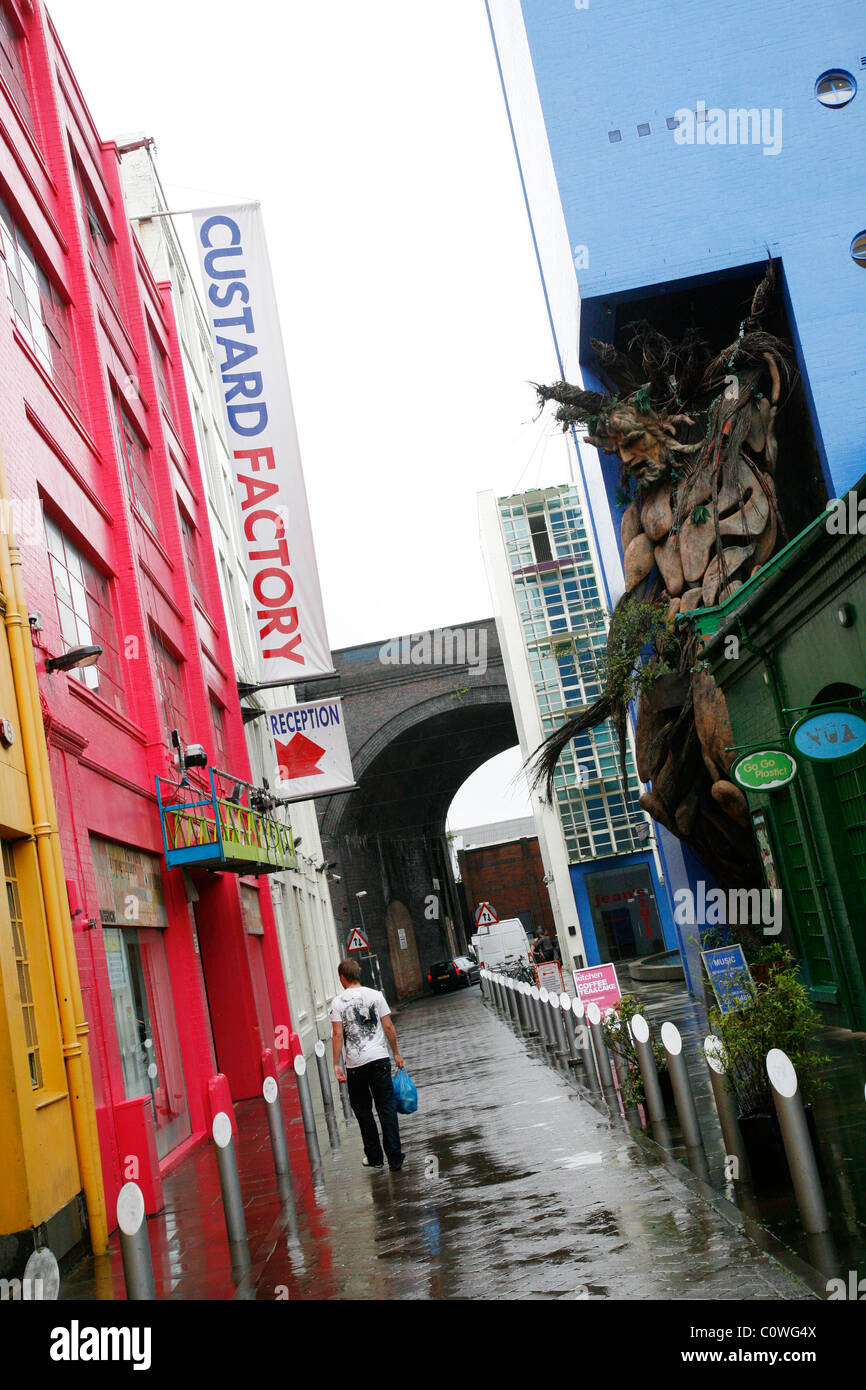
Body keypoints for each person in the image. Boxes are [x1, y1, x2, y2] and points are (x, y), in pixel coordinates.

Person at [330, 957, 406, 1171]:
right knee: (386, 1108)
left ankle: (374, 1156)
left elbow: (337, 1034)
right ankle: (395, 1158)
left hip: (355, 1065)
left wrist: (336, 1064)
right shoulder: (376, 995)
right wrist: (396, 1053)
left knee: (363, 1111)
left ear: (342, 978)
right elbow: (388, 1026)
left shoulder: (337, 1003)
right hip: (380, 1060)